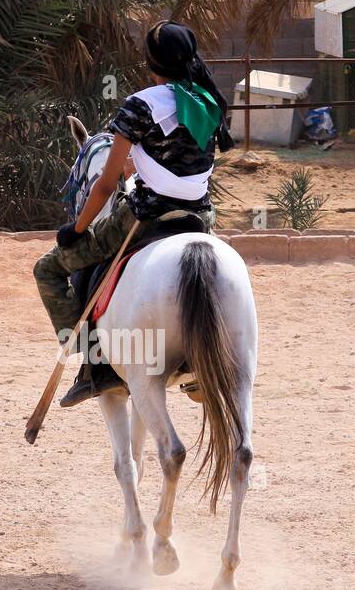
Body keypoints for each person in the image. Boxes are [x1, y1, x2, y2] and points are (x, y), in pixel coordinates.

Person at [33, 21, 234, 408]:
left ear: (150, 62)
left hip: (145, 216)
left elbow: (105, 186)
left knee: (49, 269)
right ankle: (202, 364)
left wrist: (76, 229)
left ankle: (95, 365)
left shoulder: (140, 105)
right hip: (201, 217)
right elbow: (170, 160)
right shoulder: (210, 101)